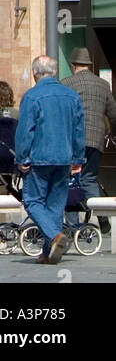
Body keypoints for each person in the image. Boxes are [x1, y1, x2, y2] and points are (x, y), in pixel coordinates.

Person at [16, 54, 86, 265]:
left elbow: (25, 131)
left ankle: (55, 236)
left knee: (32, 200)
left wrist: (21, 157)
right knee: (55, 205)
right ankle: (49, 252)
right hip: (64, 157)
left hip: (39, 158)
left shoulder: (31, 96)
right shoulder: (72, 96)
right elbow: (78, 130)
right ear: (55, 72)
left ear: (35, 74)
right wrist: (78, 158)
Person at [62, 46, 116, 233]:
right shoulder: (103, 85)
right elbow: (113, 113)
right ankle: (102, 217)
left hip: (72, 139)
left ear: (73, 65)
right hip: (96, 139)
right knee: (89, 179)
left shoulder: (67, 83)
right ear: (88, 65)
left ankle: (73, 226)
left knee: (70, 179)